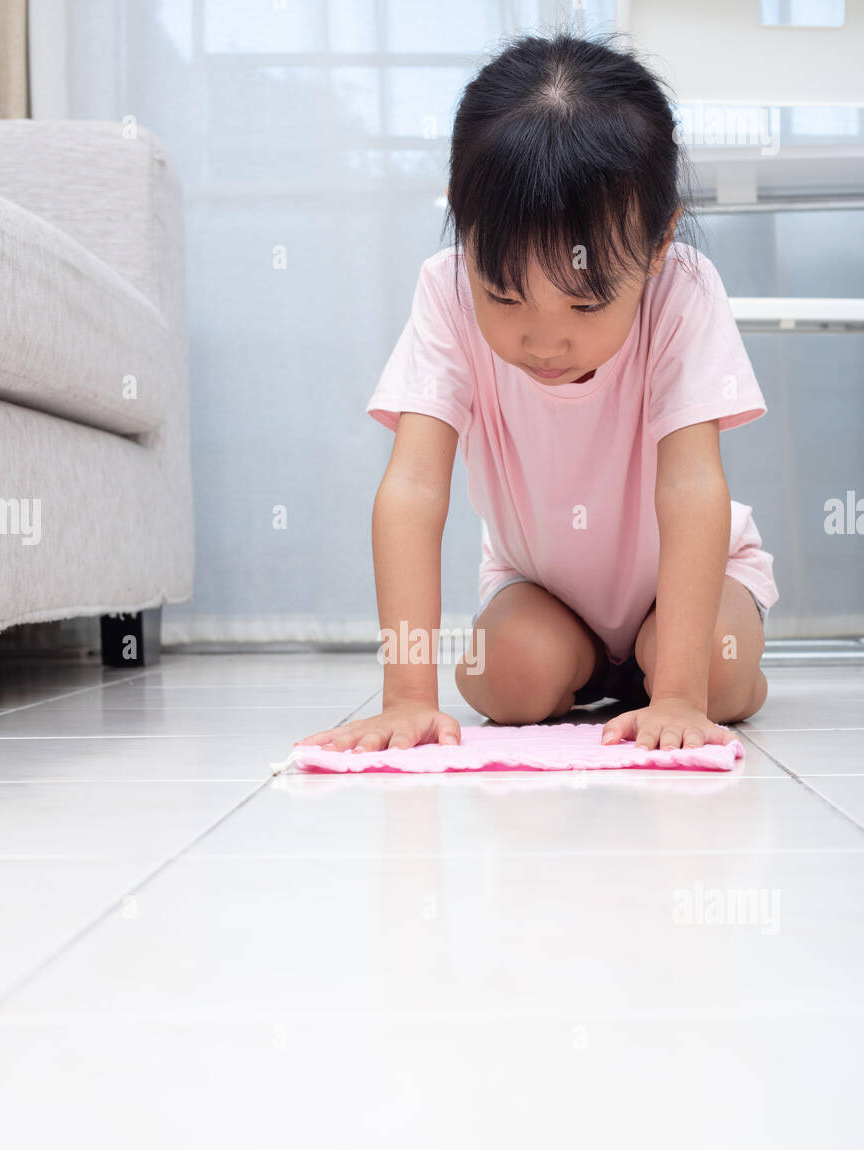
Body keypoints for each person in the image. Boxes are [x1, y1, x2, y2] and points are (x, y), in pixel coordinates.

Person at [296, 30, 778, 756]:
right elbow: (415, 488)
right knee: (508, 681)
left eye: (584, 306)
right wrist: (406, 699)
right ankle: (596, 674)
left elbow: (690, 484)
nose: (544, 344)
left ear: (656, 247)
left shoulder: (682, 291)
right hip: (545, 589)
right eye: (506, 296)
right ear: (464, 222)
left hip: (683, 585)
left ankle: (661, 676)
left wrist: (680, 698)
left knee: (715, 668)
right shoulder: (445, 290)